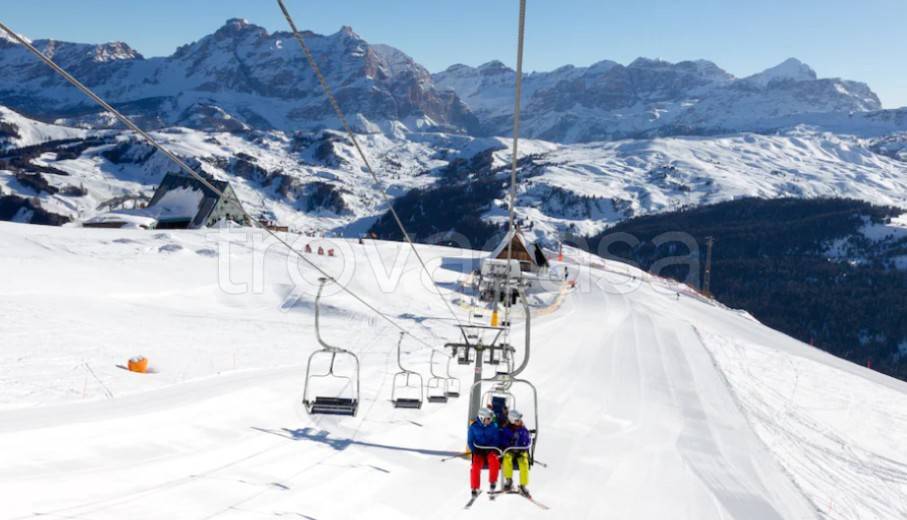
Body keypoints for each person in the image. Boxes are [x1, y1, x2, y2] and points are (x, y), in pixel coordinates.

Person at [467, 408, 500, 497]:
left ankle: (492, 482)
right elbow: (470, 441)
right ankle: (475, 488)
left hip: (490, 450)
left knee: (494, 461)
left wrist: (492, 448)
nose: (490, 421)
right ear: (482, 418)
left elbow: (496, 439)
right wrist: (475, 450)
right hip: (479, 450)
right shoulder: (473, 427)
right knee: (475, 466)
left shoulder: (494, 426)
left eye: (490, 419)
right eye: (488, 419)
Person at [499, 409, 532, 495]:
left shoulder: (523, 429)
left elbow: (528, 440)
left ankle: (522, 485)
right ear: (512, 421)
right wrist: (510, 444)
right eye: (517, 420)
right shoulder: (507, 430)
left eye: (520, 420)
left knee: (524, 463)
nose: (519, 421)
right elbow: (503, 440)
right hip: (510, 451)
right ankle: (509, 481)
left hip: (521, 451)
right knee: (506, 460)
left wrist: (524, 444)